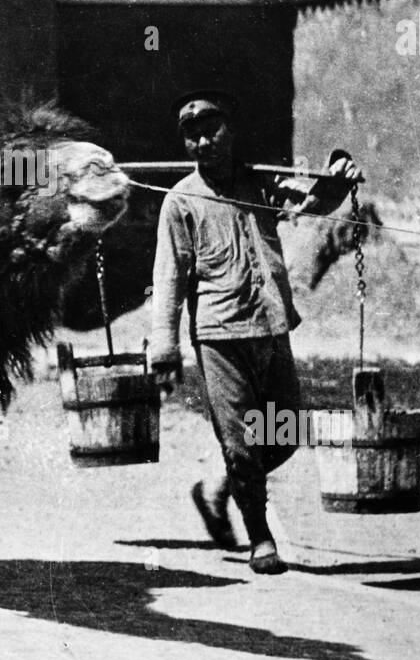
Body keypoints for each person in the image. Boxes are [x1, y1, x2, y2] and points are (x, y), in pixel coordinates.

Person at [149, 88, 362, 575]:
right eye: (192, 135)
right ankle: (260, 538)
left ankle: (219, 489)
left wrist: (339, 172)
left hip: (271, 325)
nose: (203, 142)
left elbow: (313, 203)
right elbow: (168, 276)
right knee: (241, 441)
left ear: (231, 130)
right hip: (219, 335)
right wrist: (164, 348)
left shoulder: (261, 185)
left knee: (283, 433)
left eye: (211, 130)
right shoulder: (179, 202)